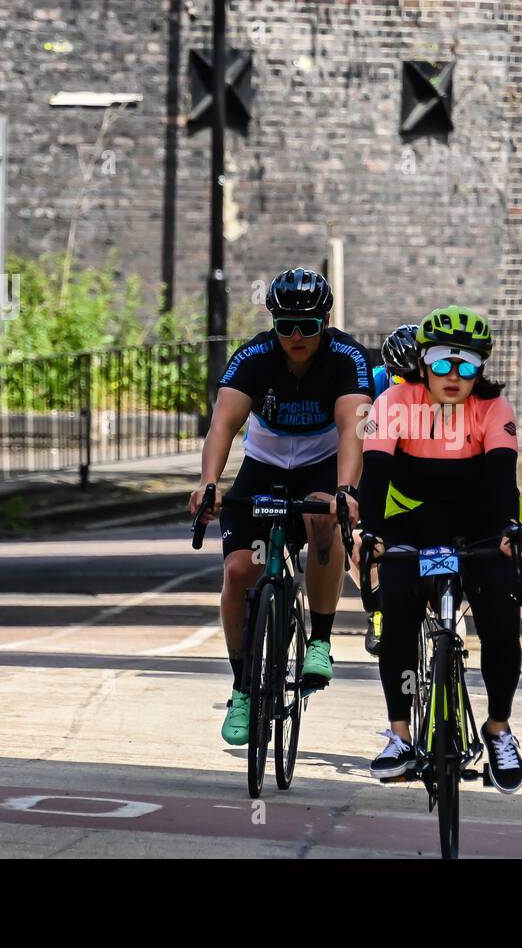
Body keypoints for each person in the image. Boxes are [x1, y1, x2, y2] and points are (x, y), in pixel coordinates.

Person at [355, 305, 522, 793]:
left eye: (467, 366)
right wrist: (369, 532)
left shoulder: (495, 409)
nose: (453, 377)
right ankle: (399, 736)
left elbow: (502, 480)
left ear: (482, 368)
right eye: (441, 364)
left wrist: (508, 532)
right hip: (417, 520)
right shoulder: (392, 403)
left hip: (479, 521)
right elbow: (374, 476)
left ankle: (498, 729)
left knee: (502, 617)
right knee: (397, 614)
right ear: (422, 362)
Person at [191, 267, 373, 746]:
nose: (296, 336)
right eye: (286, 325)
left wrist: (346, 491)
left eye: (308, 327)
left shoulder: (346, 356)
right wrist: (209, 482)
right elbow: (223, 425)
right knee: (237, 572)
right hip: (265, 466)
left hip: (322, 464)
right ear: (272, 321)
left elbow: (355, 427)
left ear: (325, 322)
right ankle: (242, 690)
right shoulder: (253, 356)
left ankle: (319, 641)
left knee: (321, 520)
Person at [363, 323, 421, 655]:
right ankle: (379, 610)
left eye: (416, 379)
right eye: (400, 379)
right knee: (360, 543)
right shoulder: (372, 385)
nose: (408, 387)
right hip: (380, 465)